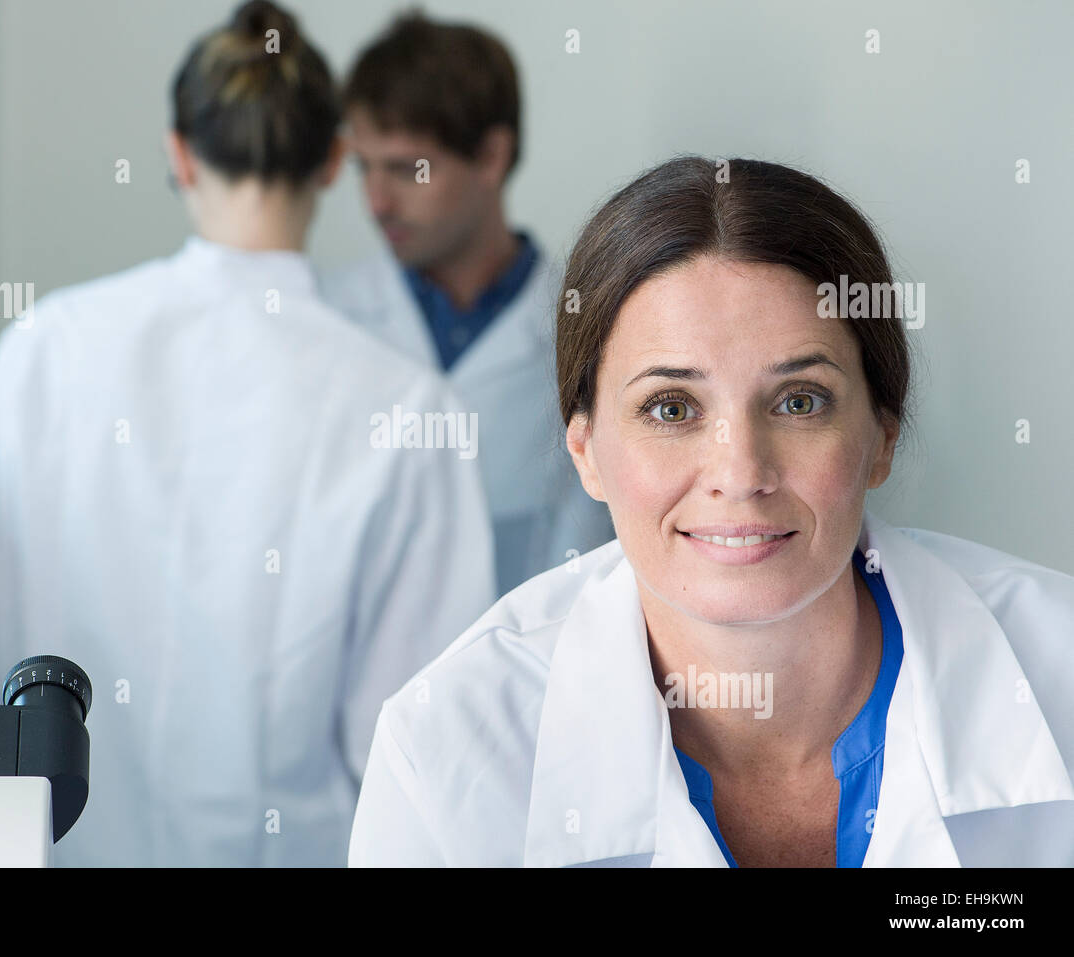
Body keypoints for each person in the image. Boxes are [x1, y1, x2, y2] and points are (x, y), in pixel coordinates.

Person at [349, 156, 1074, 867]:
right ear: (586, 452)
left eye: (799, 401)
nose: (740, 472)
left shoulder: (1056, 668)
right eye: (672, 407)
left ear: (882, 434)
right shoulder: (448, 751)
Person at [0, 0, 495, 867]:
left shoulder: (47, 346)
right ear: (333, 161)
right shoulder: (408, 406)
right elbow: (424, 739)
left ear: (178, 153)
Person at [320, 12, 614, 595]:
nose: (376, 201)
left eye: (406, 169)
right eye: (364, 168)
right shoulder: (326, 319)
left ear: (491, 157)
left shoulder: (588, 327)